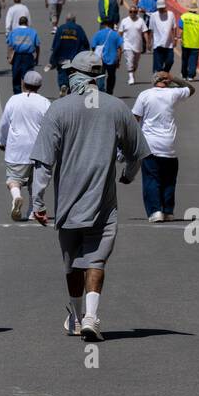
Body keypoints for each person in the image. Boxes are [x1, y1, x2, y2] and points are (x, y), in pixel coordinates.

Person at [30, 51, 148, 342]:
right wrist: (127, 175)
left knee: (71, 261)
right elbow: (137, 152)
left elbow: (44, 162)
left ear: (76, 77)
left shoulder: (59, 109)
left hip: (68, 204)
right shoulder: (116, 108)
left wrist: (37, 200)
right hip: (103, 202)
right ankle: (91, 317)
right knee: (95, 260)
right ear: (100, 78)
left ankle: (76, 314)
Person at [131, 71, 194, 222]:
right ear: (167, 82)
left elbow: (135, 119)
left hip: (150, 145)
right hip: (169, 145)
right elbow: (191, 89)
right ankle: (168, 211)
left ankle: (155, 211)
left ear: (153, 81)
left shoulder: (144, 95)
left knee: (151, 179)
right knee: (169, 180)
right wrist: (175, 78)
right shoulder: (173, 94)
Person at [0, 71, 50, 221]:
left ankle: (16, 196)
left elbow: (4, 124)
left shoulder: (14, 100)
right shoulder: (45, 102)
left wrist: (2, 142)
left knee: (13, 179)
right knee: (36, 182)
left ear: (23, 83)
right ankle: (33, 210)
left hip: (17, 148)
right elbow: (51, 126)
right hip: (38, 148)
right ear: (39, 86)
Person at [50, 14, 90, 94]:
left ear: (66, 20)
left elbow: (56, 44)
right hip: (74, 58)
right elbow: (85, 43)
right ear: (74, 20)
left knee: (62, 72)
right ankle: (72, 89)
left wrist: (53, 59)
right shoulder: (78, 28)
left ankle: (63, 85)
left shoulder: (61, 28)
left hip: (62, 57)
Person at [6, 16, 40, 96]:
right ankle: (28, 93)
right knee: (28, 76)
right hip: (28, 56)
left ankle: (17, 94)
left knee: (16, 76)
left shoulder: (14, 32)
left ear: (19, 22)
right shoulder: (32, 32)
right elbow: (37, 46)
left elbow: (10, 45)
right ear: (27, 23)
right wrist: (37, 57)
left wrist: (9, 57)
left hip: (17, 56)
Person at [178, 1, 199, 81]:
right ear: (196, 10)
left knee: (185, 59)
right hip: (195, 43)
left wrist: (179, 38)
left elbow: (181, 29)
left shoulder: (183, 17)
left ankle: (184, 75)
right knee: (193, 60)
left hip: (185, 42)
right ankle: (191, 76)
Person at [90, 23, 123, 95]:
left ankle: (101, 91)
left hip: (100, 59)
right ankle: (109, 92)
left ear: (105, 25)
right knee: (111, 76)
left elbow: (93, 46)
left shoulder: (98, 33)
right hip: (112, 59)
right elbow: (120, 49)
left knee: (100, 75)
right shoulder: (116, 35)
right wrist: (119, 60)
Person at [120, 7, 148, 86]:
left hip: (137, 45)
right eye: (131, 11)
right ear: (129, 12)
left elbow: (145, 32)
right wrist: (119, 44)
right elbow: (120, 33)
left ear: (137, 12)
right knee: (130, 60)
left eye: (134, 12)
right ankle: (131, 77)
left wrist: (148, 42)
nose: (132, 13)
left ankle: (132, 73)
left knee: (135, 62)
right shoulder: (124, 21)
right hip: (127, 45)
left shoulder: (141, 21)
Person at [149, 0, 178, 75]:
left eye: (162, 7)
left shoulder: (171, 14)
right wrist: (149, 42)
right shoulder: (153, 16)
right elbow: (151, 30)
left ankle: (165, 73)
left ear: (165, 6)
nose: (161, 9)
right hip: (157, 44)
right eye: (159, 8)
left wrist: (175, 39)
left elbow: (174, 27)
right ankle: (159, 79)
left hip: (169, 44)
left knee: (170, 61)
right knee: (159, 65)